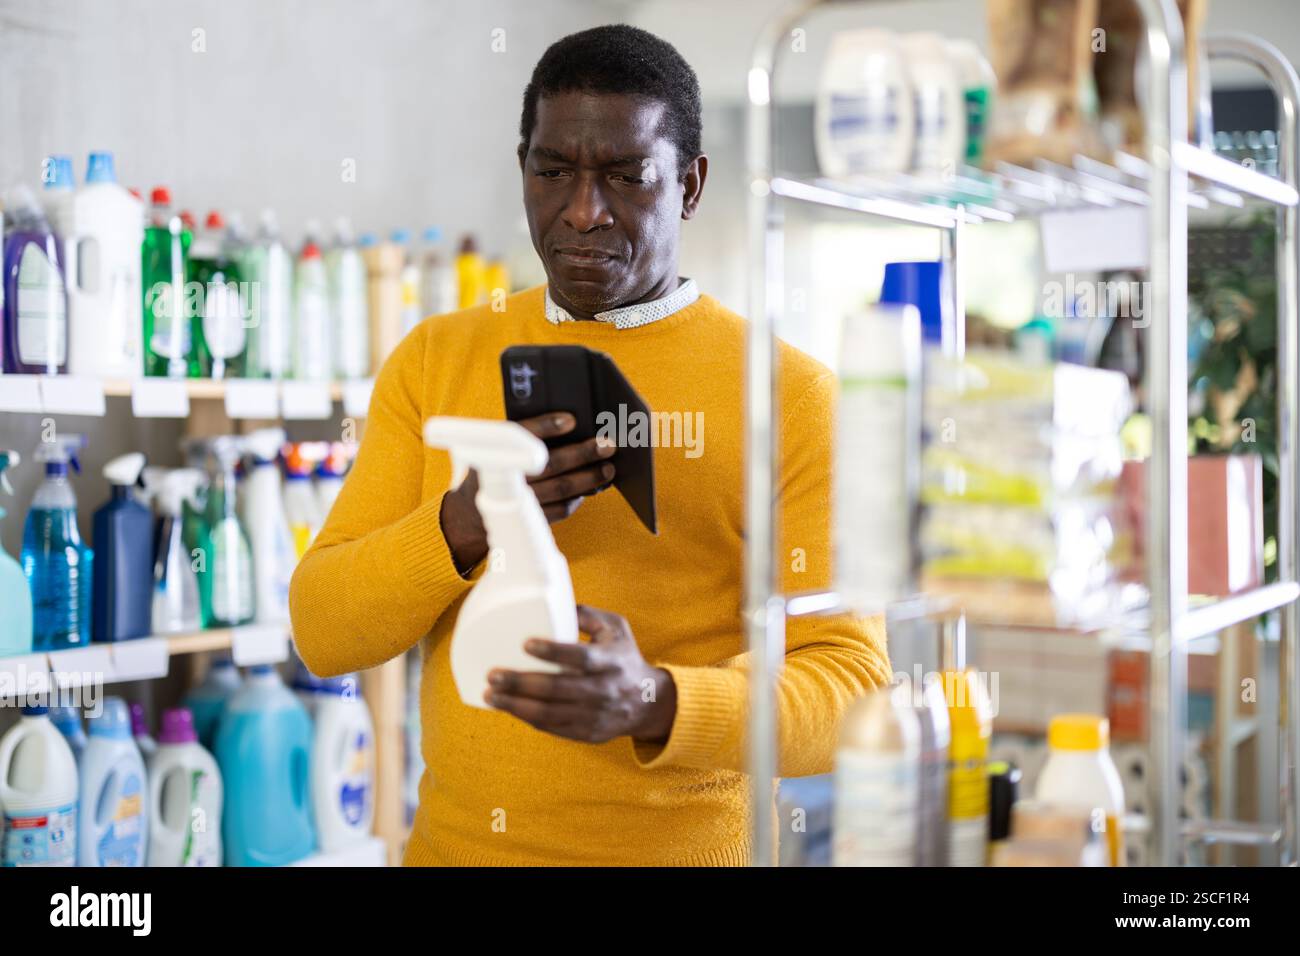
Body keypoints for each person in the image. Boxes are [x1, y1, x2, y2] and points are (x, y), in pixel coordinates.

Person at [289, 24, 889, 867]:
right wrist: (463, 527)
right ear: (524, 168)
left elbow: (855, 689)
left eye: (625, 176)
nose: (582, 210)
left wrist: (658, 700)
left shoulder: (792, 397)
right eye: (553, 171)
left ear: (689, 185)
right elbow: (322, 629)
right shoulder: (437, 357)